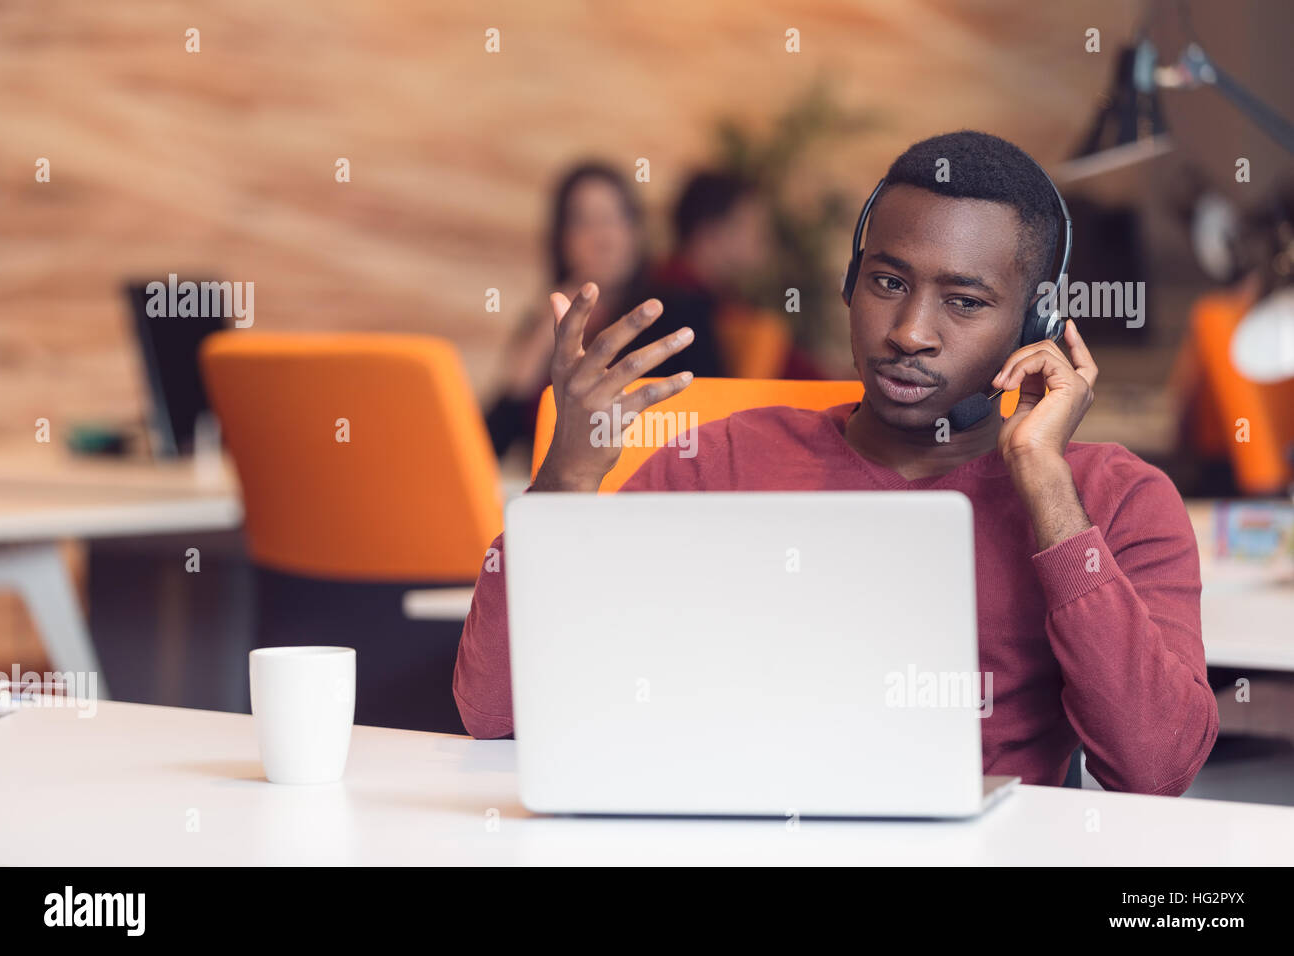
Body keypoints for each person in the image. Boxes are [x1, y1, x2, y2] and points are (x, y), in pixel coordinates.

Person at [455, 130, 1218, 795]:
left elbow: (1155, 767)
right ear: (852, 284)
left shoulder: (1115, 499)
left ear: (1038, 321)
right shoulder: (721, 461)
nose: (910, 332)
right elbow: (493, 712)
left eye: (965, 302)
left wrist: (1047, 486)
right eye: (888, 283)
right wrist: (563, 483)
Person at [484, 161, 723, 462]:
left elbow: (705, 428)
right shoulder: (548, 319)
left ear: (636, 231)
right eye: (584, 222)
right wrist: (542, 337)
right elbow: (489, 446)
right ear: (562, 240)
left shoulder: (674, 312)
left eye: (615, 218)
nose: (603, 237)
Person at [654, 170, 828, 379]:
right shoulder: (675, 308)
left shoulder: (725, 304)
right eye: (756, 230)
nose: (765, 242)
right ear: (711, 233)